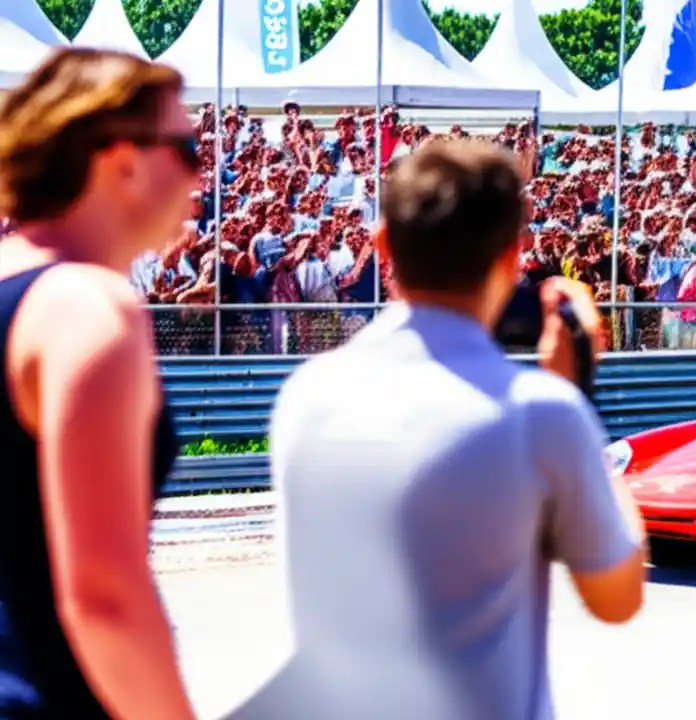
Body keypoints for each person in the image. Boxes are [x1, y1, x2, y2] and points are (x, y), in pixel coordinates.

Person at [232, 139, 646, 720]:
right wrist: (580, 398)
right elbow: (617, 595)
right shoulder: (542, 413)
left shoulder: (307, 396)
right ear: (512, 257)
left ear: (383, 247)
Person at [0, 48, 198, 719]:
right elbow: (104, 593)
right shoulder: (88, 307)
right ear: (121, 159)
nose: (202, 177)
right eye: (189, 149)